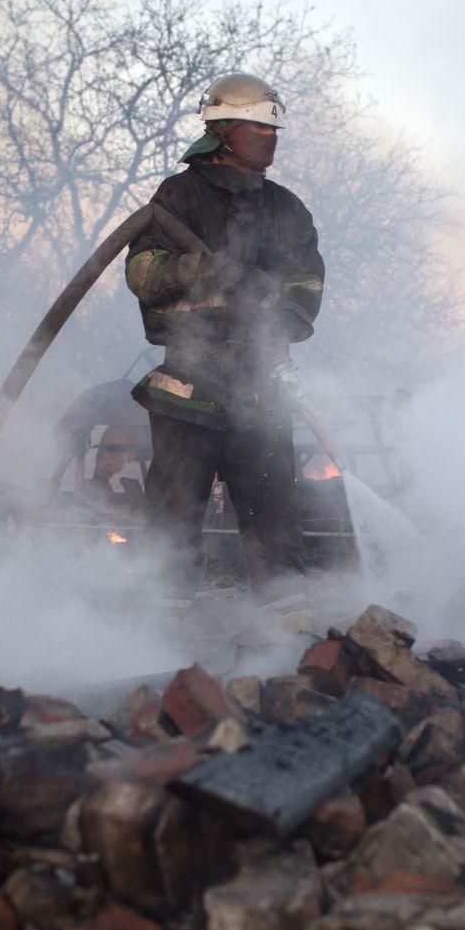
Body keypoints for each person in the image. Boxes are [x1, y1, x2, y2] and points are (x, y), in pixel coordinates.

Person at [123, 74, 325, 607]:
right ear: (223, 129)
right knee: (172, 518)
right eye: (258, 126)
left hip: (261, 388)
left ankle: (285, 631)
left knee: (275, 515)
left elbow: (307, 284)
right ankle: (164, 626)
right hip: (190, 382)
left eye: (274, 128)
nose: (270, 137)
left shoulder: (287, 209)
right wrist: (209, 272)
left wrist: (277, 319)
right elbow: (144, 272)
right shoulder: (179, 196)